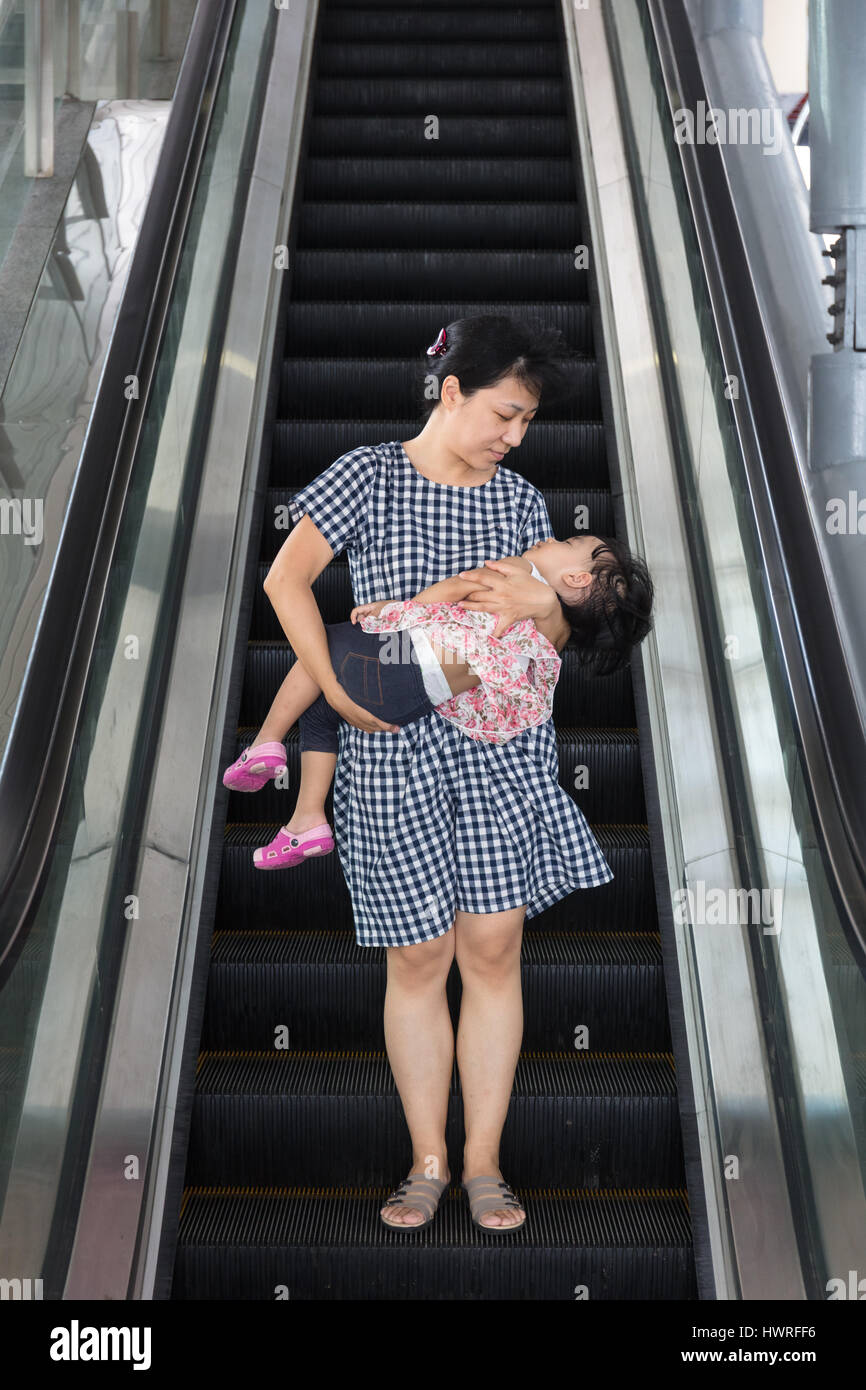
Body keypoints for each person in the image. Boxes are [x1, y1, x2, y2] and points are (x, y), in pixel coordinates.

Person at [254, 314, 654, 1232]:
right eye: (505, 415)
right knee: (419, 955)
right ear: (452, 393)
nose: (514, 438)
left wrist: (542, 610)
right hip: (393, 753)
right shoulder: (367, 473)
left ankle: (483, 1165)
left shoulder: (519, 504)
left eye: (526, 424)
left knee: (493, 950)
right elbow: (286, 581)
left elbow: (553, 640)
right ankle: (426, 1159)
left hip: (499, 759)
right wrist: (334, 690)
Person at [223, 531, 647, 872]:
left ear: (578, 578)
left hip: (396, 664)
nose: (551, 539)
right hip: (412, 700)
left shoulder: (525, 574)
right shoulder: (545, 644)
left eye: (568, 545)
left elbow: (460, 586)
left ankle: (266, 740)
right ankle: (307, 819)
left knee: (320, 645)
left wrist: (396, 609)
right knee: (320, 711)